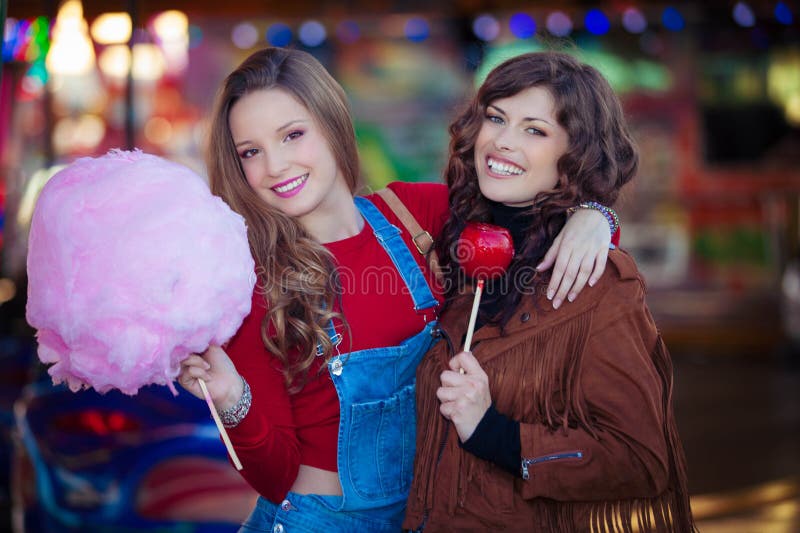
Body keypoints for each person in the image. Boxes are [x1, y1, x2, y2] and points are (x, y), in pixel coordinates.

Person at [177, 47, 617, 532]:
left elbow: (532, 222)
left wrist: (595, 217)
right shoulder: (252, 281)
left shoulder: (413, 216)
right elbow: (275, 477)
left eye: (292, 135)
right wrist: (231, 397)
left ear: (332, 124)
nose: (276, 165)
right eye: (251, 152)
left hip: (427, 516)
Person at [404, 51, 696, 532]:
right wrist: (600, 215)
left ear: (575, 157)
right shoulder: (448, 240)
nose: (502, 141)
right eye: (496, 118)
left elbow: (640, 458)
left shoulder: (598, 281)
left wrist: (494, 433)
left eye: (535, 130)